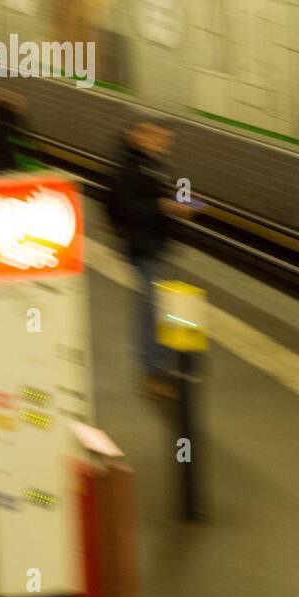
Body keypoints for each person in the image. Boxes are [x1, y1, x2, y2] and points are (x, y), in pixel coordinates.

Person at [106, 118, 195, 395]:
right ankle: (154, 371)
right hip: (145, 248)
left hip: (157, 246)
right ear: (136, 136)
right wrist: (164, 206)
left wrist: (172, 207)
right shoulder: (129, 168)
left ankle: (162, 367)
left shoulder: (151, 165)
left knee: (162, 308)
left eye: (165, 138)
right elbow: (124, 206)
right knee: (153, 310)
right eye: (155, 137)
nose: (162, 143)